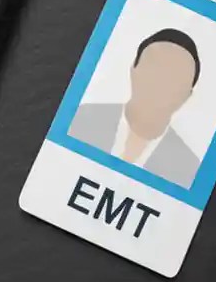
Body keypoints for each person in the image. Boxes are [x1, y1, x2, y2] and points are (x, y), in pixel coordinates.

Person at [68, 28, 202, 188]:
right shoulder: (80, 119)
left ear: (186, 96)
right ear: (133, 70)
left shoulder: (187, 170)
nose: (160, 83)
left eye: (175, 77)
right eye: (154, 66)